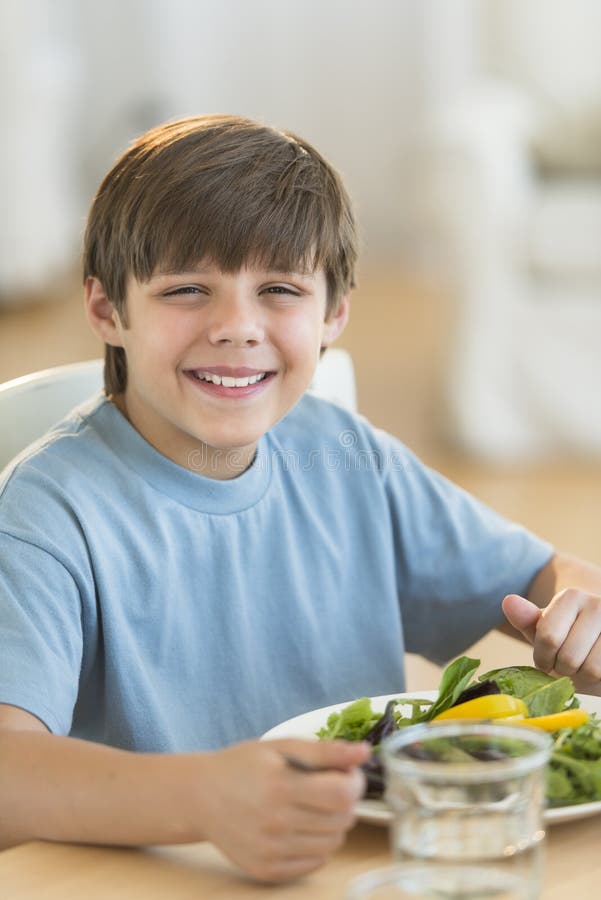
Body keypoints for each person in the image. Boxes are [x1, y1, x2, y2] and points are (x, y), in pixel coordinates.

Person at [1, 114, 601, 883]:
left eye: (279, 290)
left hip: (365, 872)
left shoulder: (350, 458)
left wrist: (579, 618)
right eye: (187, 289)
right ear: (106, 309)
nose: (236, 327)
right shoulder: (46, 514)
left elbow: (550, 578)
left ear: (333, 315)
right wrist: (205, 796)